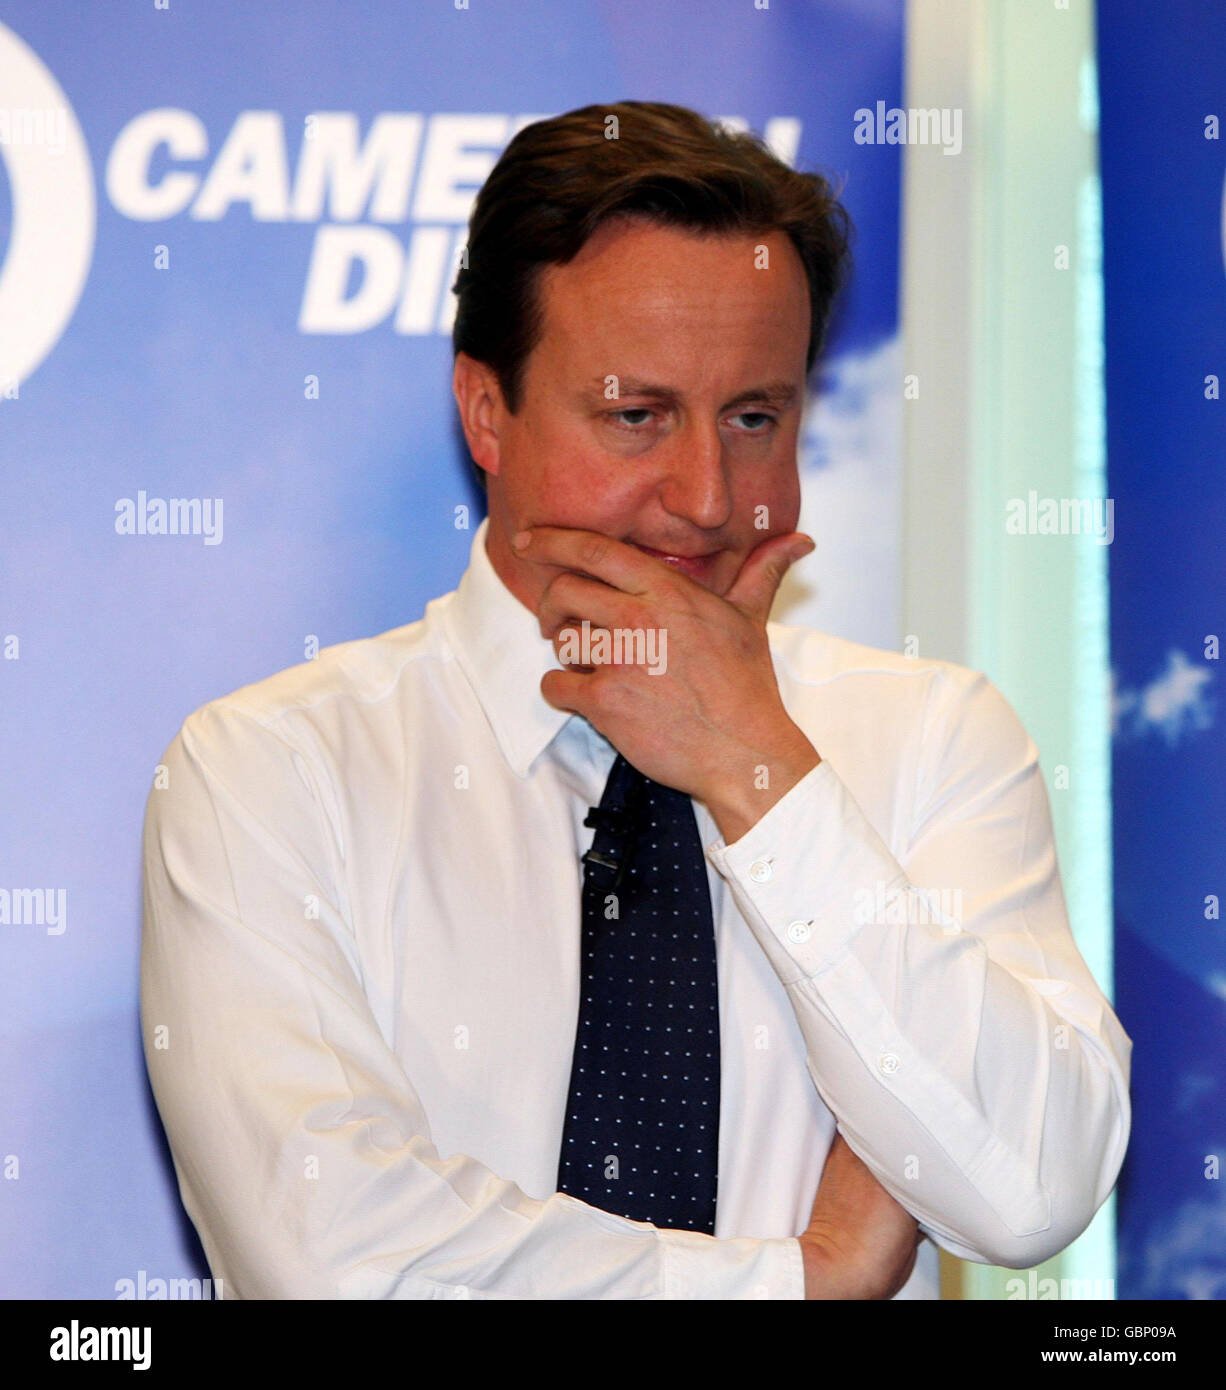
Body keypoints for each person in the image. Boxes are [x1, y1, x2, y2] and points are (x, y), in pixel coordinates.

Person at [140, 101, 1131, 1300]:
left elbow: (1028, 1191)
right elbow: (338, 1261)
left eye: (755, 417)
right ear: (485, 409)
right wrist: (802, 1285)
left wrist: (759, 769)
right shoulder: (272, 770)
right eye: (635, 416)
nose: (707, 498)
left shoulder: (928, 740)